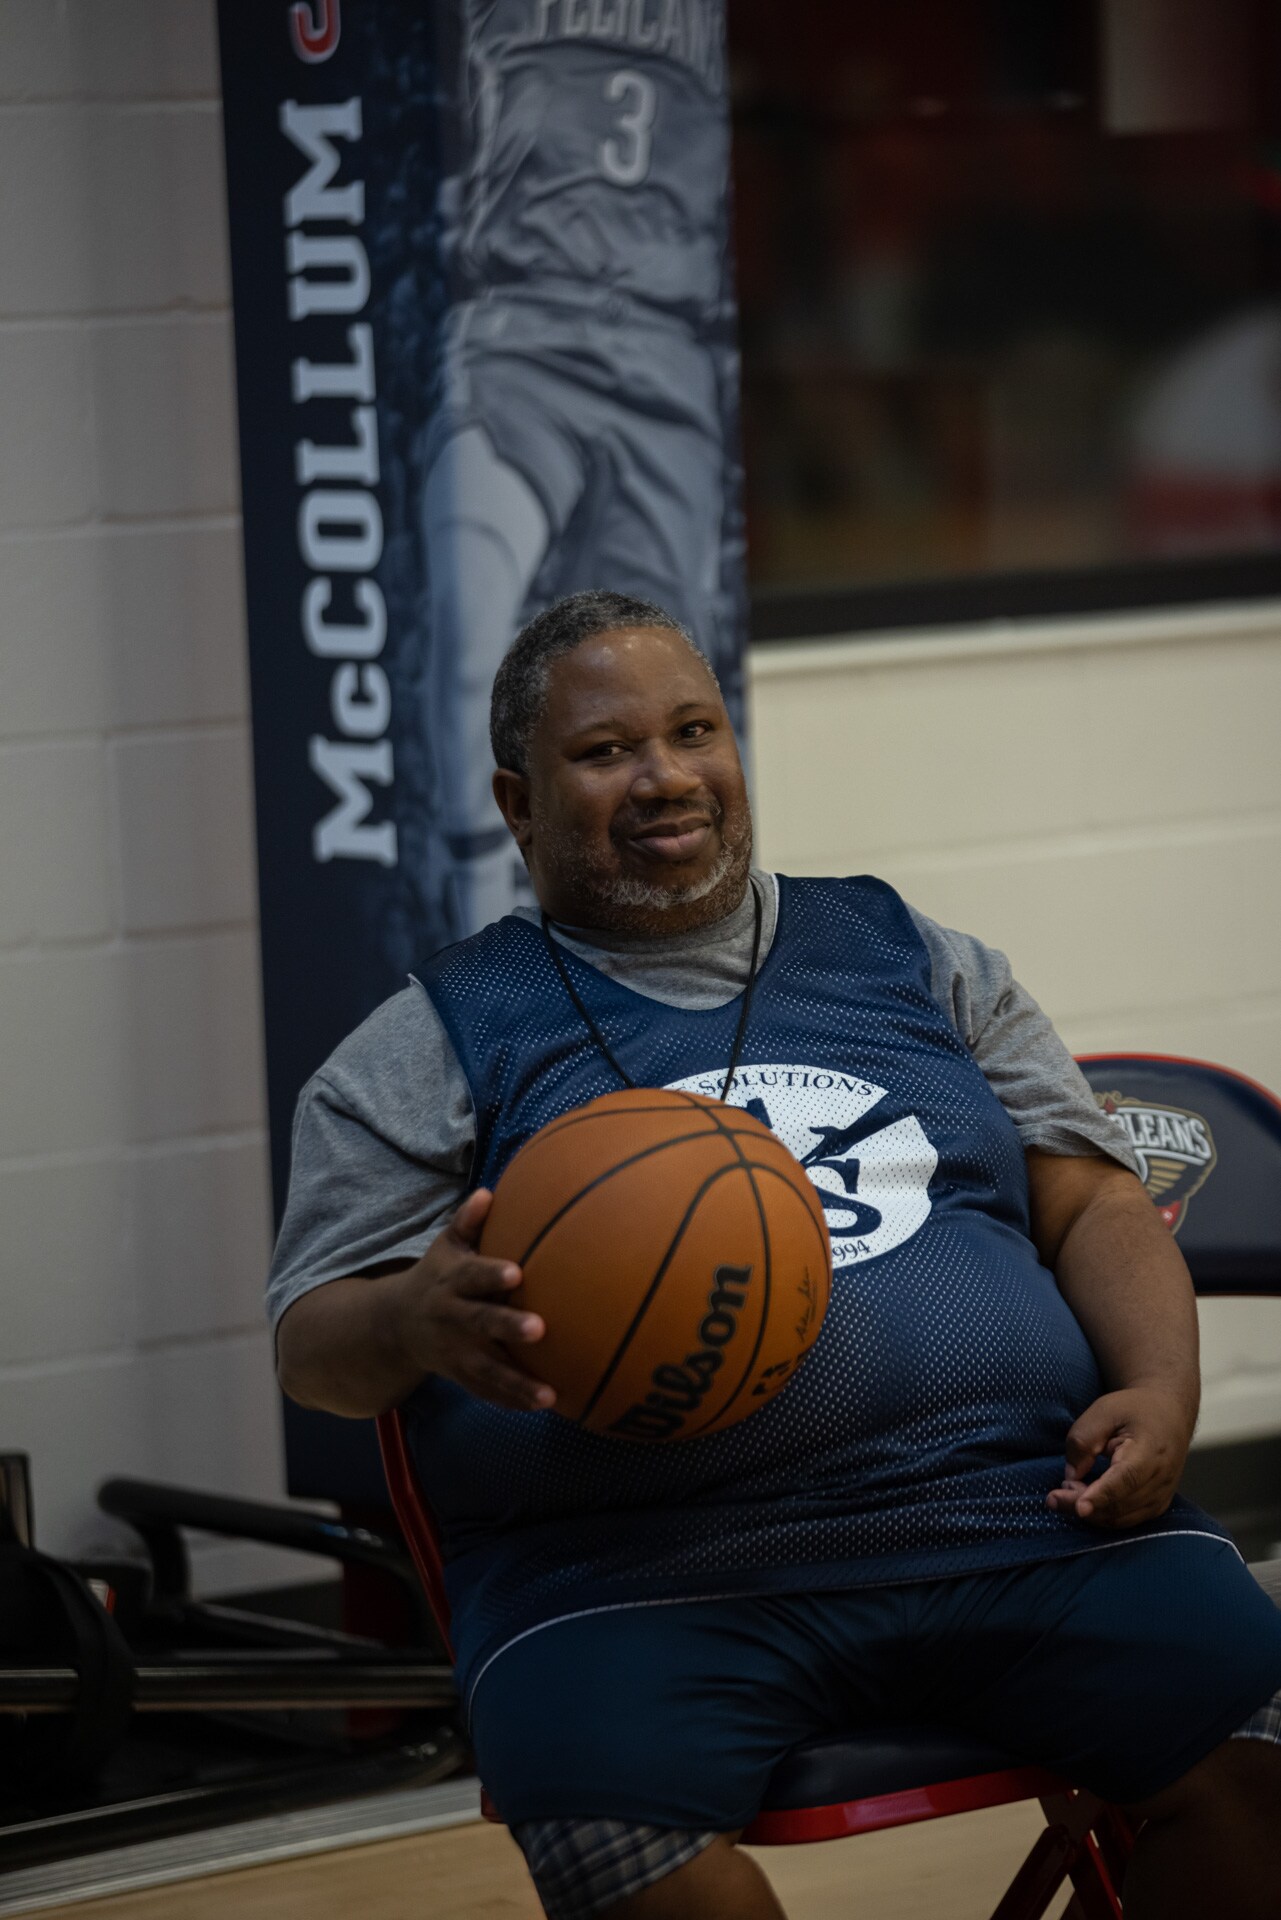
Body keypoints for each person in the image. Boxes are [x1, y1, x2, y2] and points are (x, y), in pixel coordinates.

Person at [270, 590, 1281, 1920]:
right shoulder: (432, 1042)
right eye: (607, 750)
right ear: (520, 806)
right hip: (635, 1578)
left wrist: (1162, 1396)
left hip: (1017, 1516)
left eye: (695, 731)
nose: (666, 776)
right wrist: (406, 1323)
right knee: (640, 1865)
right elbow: (311, 1345)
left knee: (1259, 1756)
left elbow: (1092, 1205)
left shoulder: (914, 957)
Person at [420, 0, 743, 937]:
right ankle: (482, 942)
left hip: (666, 362)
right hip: (528, 326)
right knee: (468, 607)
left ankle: (652, 998)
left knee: (649, 717)